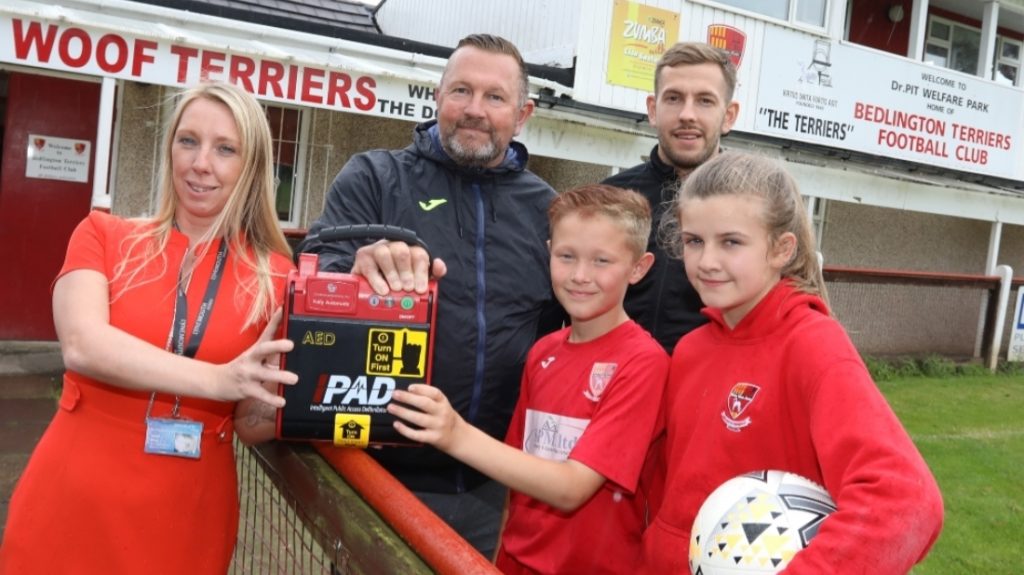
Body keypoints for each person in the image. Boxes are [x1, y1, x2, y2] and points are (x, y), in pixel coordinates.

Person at [0, 82, 298, 574]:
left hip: (188, 516)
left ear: (253, 167)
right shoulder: (102, 235)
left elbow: (249, 421)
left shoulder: (279, 278)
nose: (201, 163)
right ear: (169, 149)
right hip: (72, 499)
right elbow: (83, 345)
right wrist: (220, 380)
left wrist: (315, 400)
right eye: (188, 141)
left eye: (225, 149)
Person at [296, 34, 561, 556]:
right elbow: (315, 277)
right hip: (381, 474)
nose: (474, 111)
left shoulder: (547, 209)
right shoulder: (374, 176)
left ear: (523, 112)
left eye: (494, 97)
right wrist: (357, 266)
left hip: (495, 485)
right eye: (461, 91)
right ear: (437, 96)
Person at [640, 152, 944, 573]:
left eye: (731, 242)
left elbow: (905, 500)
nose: (707, 260)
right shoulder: (691, 350)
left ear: (781, 249)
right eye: (694, 241)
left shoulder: (812, 345)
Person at [388, 184, 669, 574]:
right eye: (566, 256)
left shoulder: (644, 363)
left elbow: (571, 489)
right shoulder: (543, 353)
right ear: (548, 252)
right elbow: (516, 475)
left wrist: (456, 433)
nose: (580, 275)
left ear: (639, 268)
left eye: (602, 261)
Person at [603, 41, 740, 353]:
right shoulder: (607, 200)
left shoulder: (758, 207)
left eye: (705, 101)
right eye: (674, 98)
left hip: (710, 392)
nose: (687, 115)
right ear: (653, 109)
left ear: (729, 115)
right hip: (616, 391)